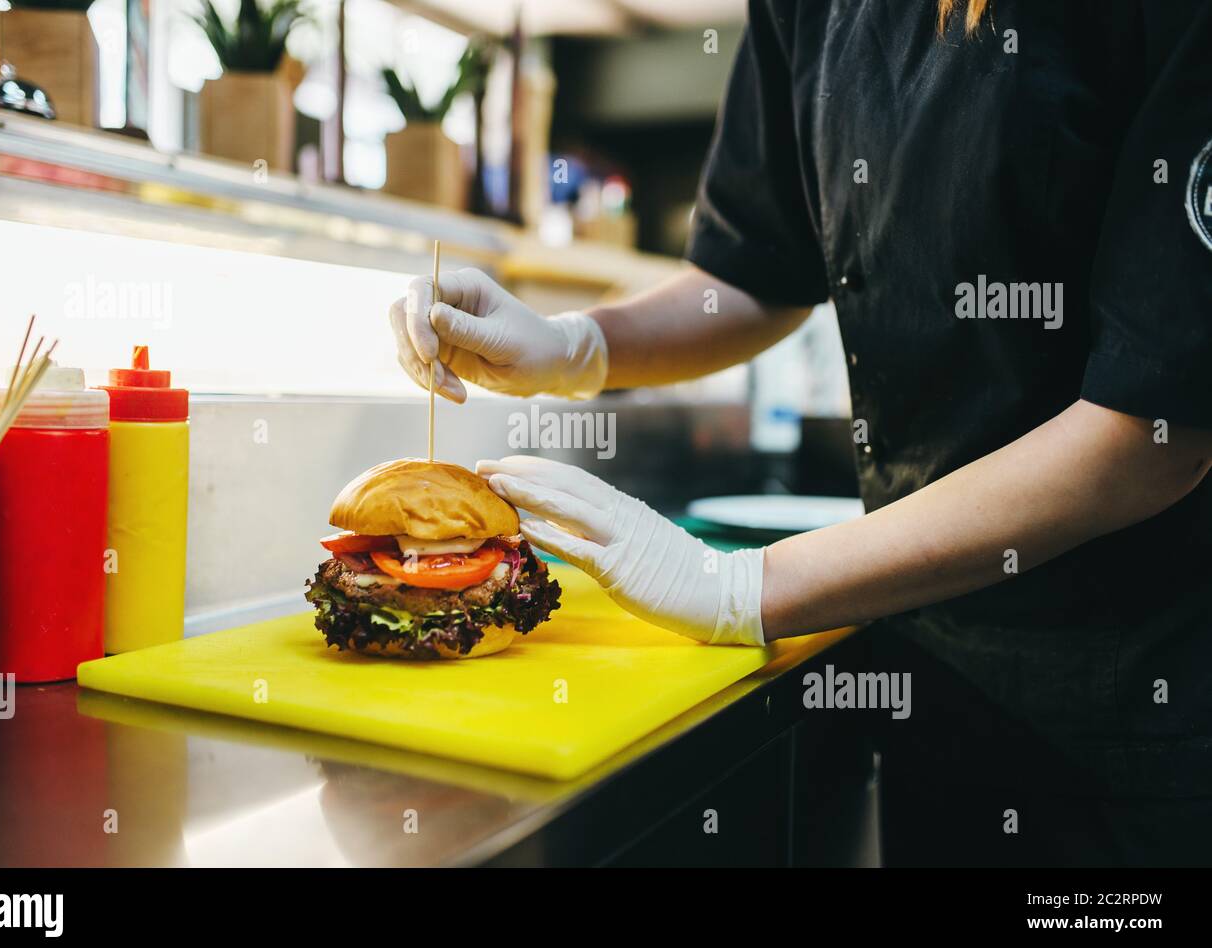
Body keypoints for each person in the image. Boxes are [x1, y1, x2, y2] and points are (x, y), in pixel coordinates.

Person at [387, 0, 1212, 865]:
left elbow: (1152, 431)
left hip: (1134, 707)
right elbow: (750, 275)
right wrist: (575, 346)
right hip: (924, 661)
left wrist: (745, 587)